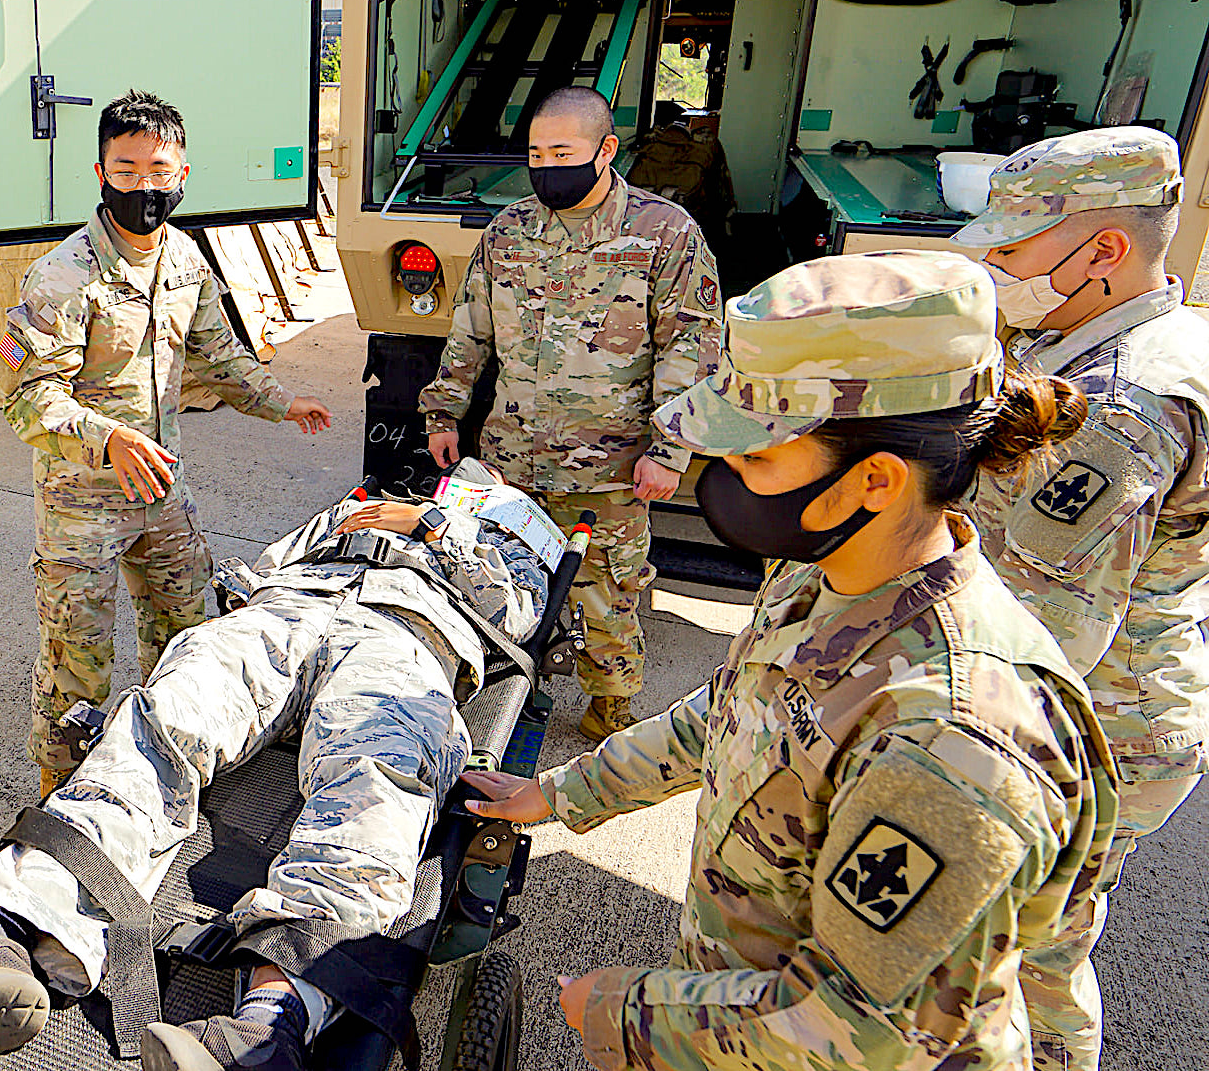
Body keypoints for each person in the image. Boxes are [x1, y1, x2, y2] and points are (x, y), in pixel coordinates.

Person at [465, 251, 1119, 1071]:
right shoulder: (825, 576)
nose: (723, 477)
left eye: (756, 456)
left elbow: (861, 1030)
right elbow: (728, 712)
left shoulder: (953, 735)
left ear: (874, 480)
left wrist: (619, 1012)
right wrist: (558, 794)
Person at [0, 461, 551, 1070]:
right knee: (162, 713)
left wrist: (434, 528)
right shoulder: (346, 511)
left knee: (373, 774)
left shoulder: (496, 539)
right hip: (287, 614)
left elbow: (512, 615)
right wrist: (316, 549)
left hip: (407, 637)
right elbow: (269, 567)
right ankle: (3, 932)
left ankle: (267, 1027)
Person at [949, 126, 1209, 1071]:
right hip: (1093, 702)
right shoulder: (1103, 338)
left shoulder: (1127, 403)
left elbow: (1043, 634)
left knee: (1024, 958)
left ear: (1102, 250)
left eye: (1013, 247)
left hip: (1096, 728)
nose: (991, 263)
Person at [0, 89, 332, 796]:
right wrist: (107, 436)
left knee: (190, 632)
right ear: (99, 173)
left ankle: (173, 753)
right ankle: (62, 788)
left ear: (182, 173)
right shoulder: (62, 276)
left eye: (159, 170)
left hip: (161, 492)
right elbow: (26, 397)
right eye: (127, 170)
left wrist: (281, 402)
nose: (145, 186)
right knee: (75, 659)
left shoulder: (185, 261)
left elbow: (220, 353)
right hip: (82, 502)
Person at [419, 84, 721, 743]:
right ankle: (486, 699)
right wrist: (444, 413)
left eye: (564, 151)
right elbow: (471, 330)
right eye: (535, 152)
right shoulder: (509, 231)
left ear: (606, 150)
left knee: (607, 597)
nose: (547, 165)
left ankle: (610, 706)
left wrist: (670, 452)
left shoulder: (664, 234)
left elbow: (690, 351)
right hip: (510, 458)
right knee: (488, 583)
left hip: (610, 468)